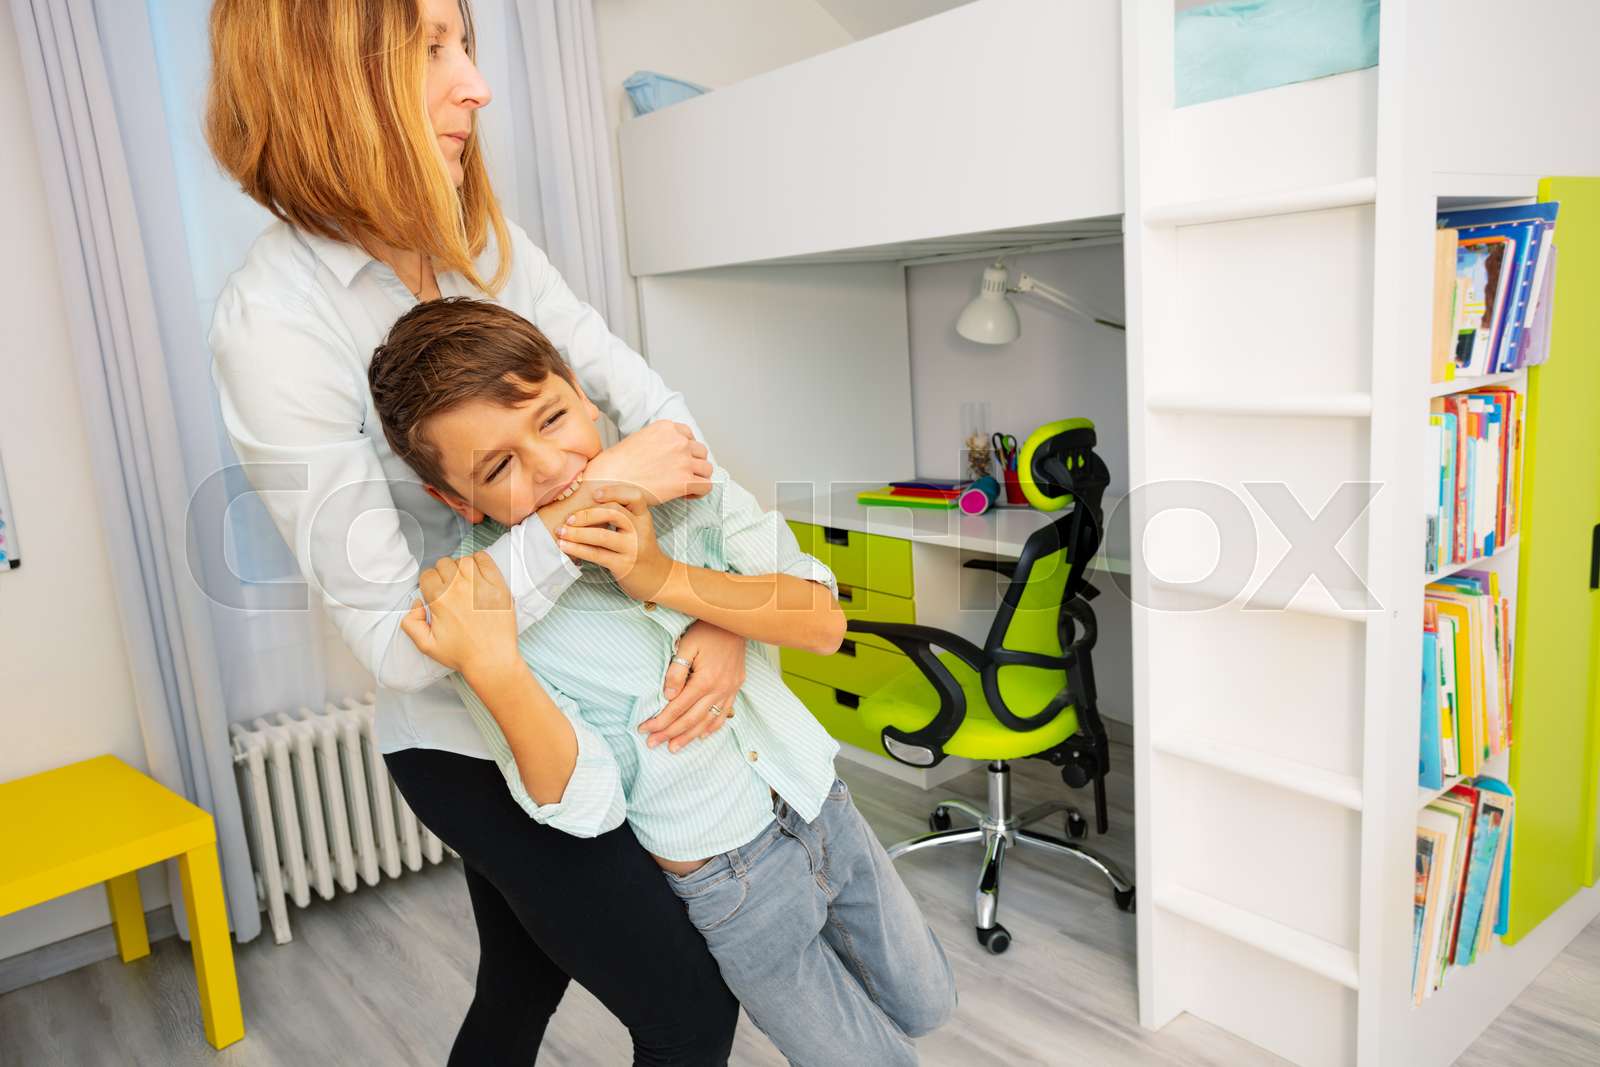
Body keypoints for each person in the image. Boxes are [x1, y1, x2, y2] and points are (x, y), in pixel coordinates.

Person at [205, 0, 745, 1060]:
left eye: (467, 45)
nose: (475, 86)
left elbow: (659, 420)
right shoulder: (273, 325)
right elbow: (395, 641)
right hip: (467, 737)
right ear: (324, 83)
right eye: (431, 50)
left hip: (588, 675)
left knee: (519, 979)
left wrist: (713, 605)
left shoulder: (481, 240)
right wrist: (607, 493)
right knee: (688, 1004)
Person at [367, 298, 959, 1066]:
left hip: (820, 799)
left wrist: (664, 577)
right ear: (458, 500)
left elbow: (820, 619)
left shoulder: (688, 486)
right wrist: (496, 667)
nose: (551, 469)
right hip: (732, 880)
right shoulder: (497, 614)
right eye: (499, 467)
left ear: (583, 393)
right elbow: (586, 806)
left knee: (930, 999)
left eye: (551, 419)